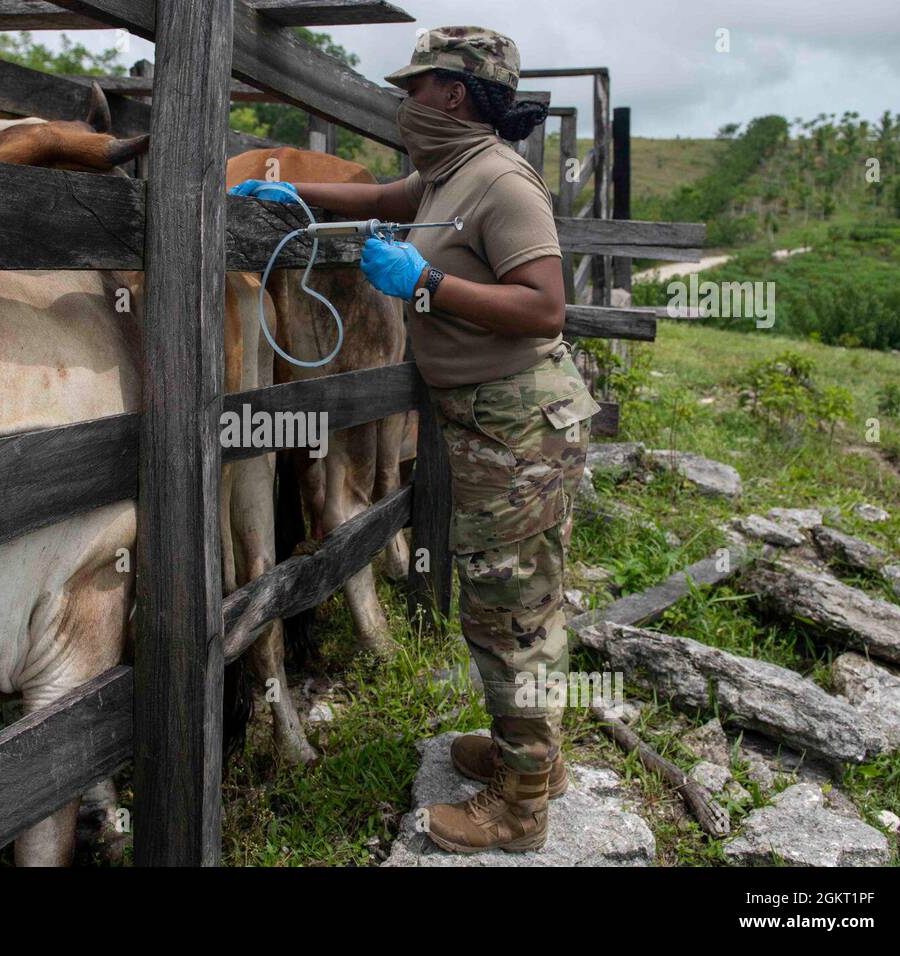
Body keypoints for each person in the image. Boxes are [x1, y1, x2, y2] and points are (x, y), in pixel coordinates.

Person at [230, 26, 599, 853]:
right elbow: (384, 201)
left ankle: (519, 808)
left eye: (416, 85)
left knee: (514, 613)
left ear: (455, 93)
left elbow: (545, 307)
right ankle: (532, 759)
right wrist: (297, 197)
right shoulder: (448, 174)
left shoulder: (502, 183)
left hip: (518, 423)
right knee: (514, 601)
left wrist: (427, 284)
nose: (404, 100)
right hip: (493, 422)